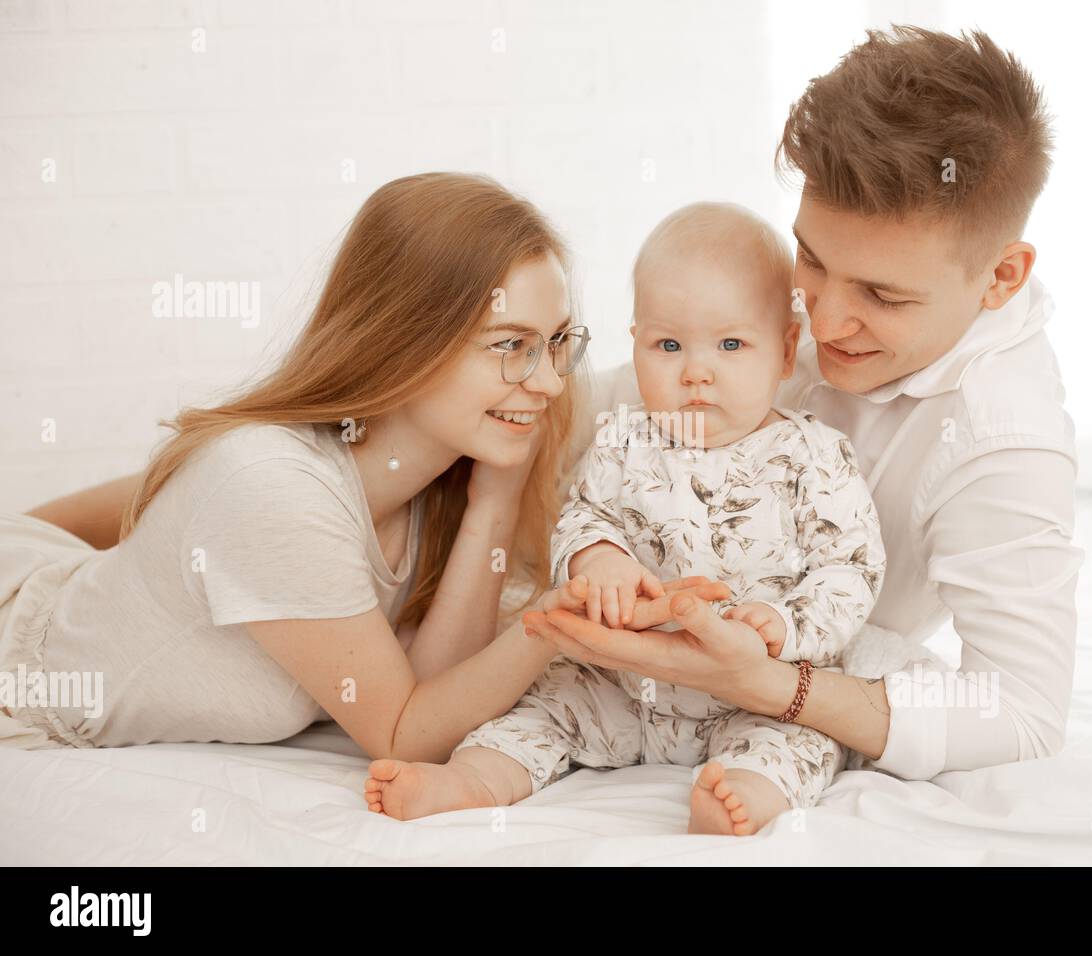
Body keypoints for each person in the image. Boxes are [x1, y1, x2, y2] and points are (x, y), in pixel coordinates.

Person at [523, 26, 1084, 782]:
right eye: (813, 262)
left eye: (882, 297)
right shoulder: (783, 310)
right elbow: (589, 414)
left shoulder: (1003, 442)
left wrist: (768, 688)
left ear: (1001, 277)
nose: (819, 326)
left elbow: (1021, 713)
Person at [1, 172, 718, 756]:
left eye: (558, 341)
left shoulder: (430, 481)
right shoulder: (272, 485)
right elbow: (405, 736)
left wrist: (495, 505)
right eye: (508, 344)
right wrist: (549, 623)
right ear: (406, 340)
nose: (548, 381)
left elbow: (433, 692)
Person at [362, 202, 885, 833]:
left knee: (801, 741)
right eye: (667, 345)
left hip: (756, 690)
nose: (696, 372)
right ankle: (472, 780)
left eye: (731, 344)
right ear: (633, 344)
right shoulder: (622, 439)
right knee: (543, 707)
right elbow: (584, 516)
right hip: (620, 683)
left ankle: (743, 794)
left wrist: (780, 626)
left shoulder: (815, 456)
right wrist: (598, 559)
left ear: (783, 351)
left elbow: (850, 570)